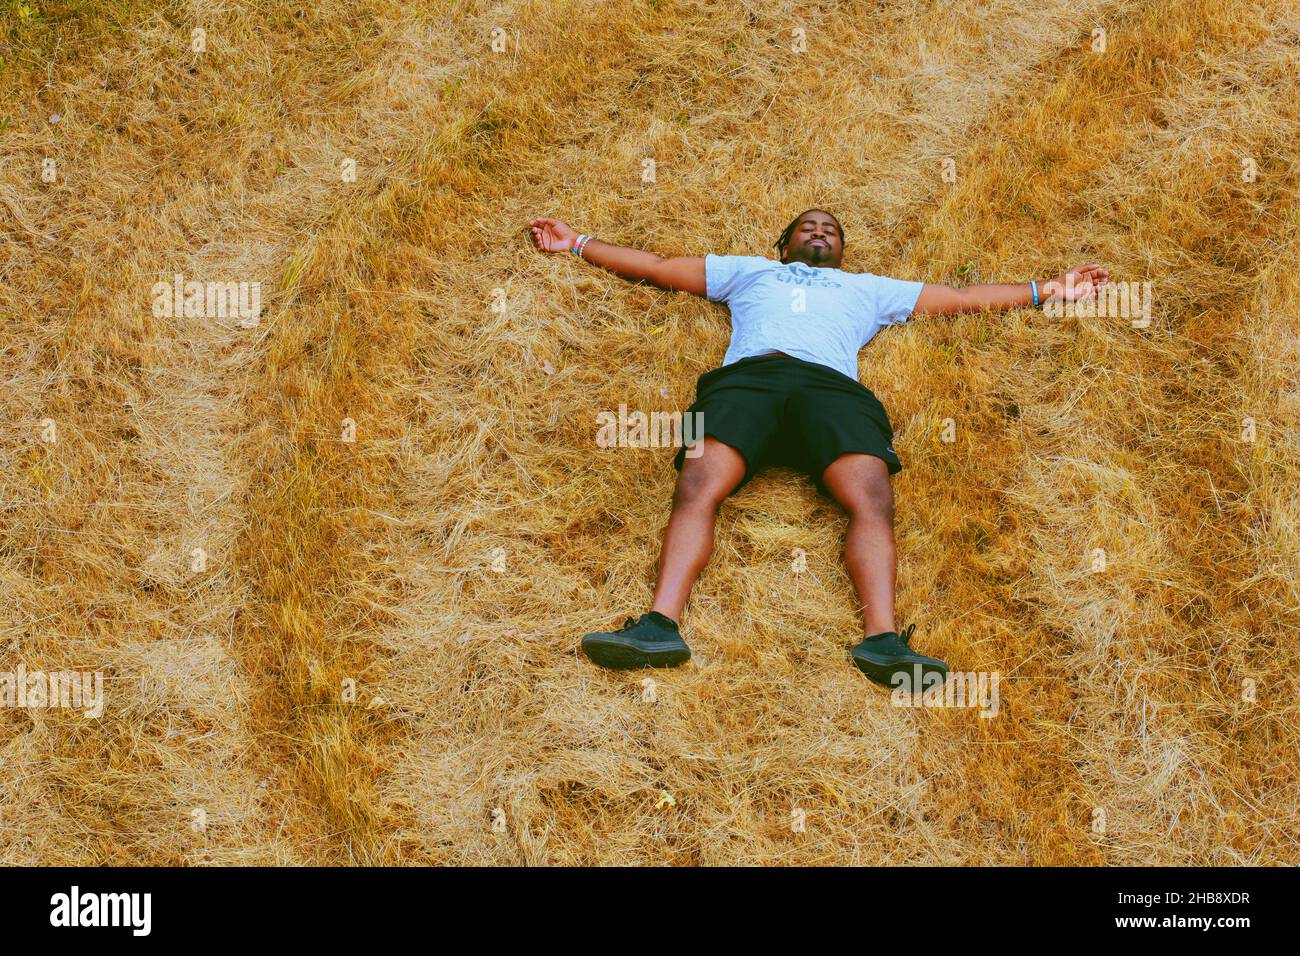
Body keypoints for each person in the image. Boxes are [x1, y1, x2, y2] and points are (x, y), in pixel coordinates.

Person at [527, 209, 1107, 688]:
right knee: (699, 485)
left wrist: (1046, 290)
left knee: (873, 499)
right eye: (807, 226)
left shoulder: (868, 289)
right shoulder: (749, 272)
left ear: (843, 253)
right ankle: (658, 626)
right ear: (783, 246)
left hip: (832, 391)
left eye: (831, 229)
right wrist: (575, 243)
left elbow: (957, 296)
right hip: (749, 382)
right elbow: (655, 267)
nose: (820, 231)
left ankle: (882, 642)